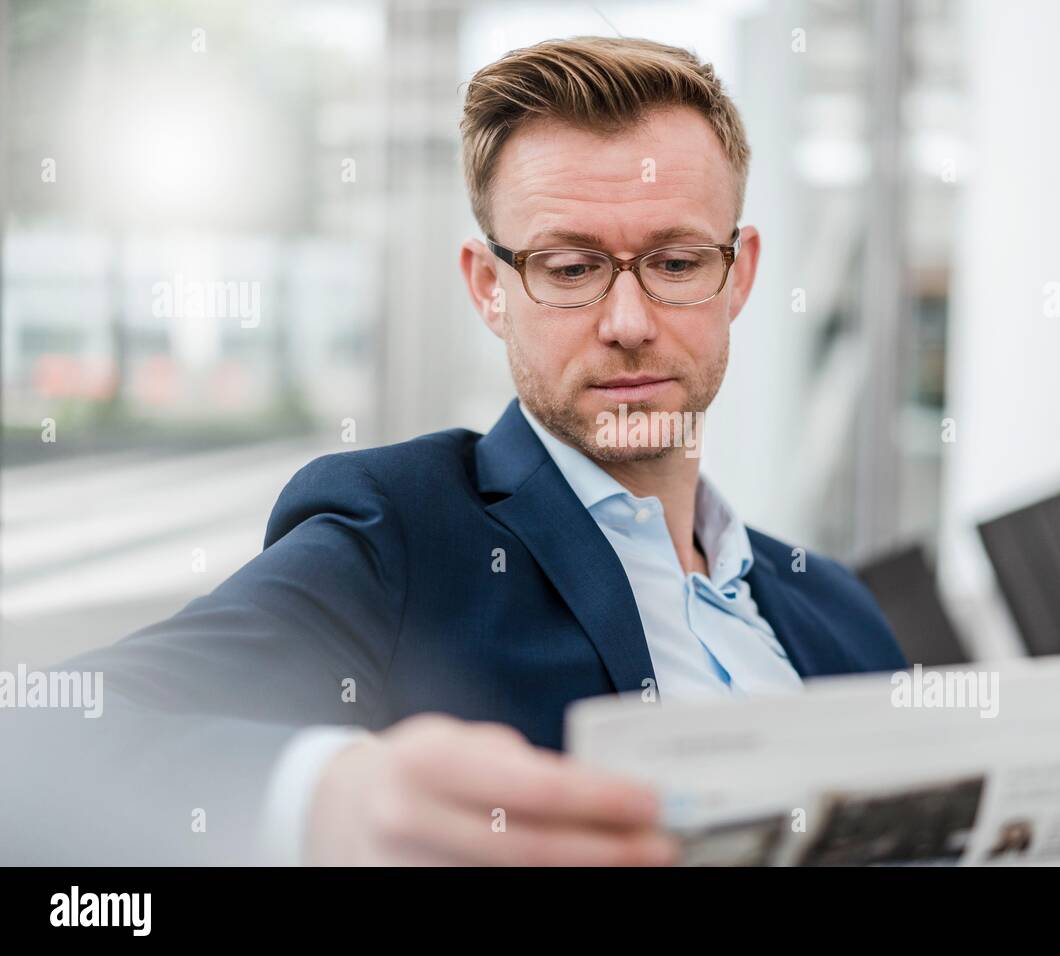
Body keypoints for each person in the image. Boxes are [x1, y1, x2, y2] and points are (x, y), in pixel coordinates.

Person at [10, 36, 904, 867]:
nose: (629, 324)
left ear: (738, 276)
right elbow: (35, 748)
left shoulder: (840, 611)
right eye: (569, 268)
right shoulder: (398, 534)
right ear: (490, 289)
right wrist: (333, 795)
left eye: (674, 264)